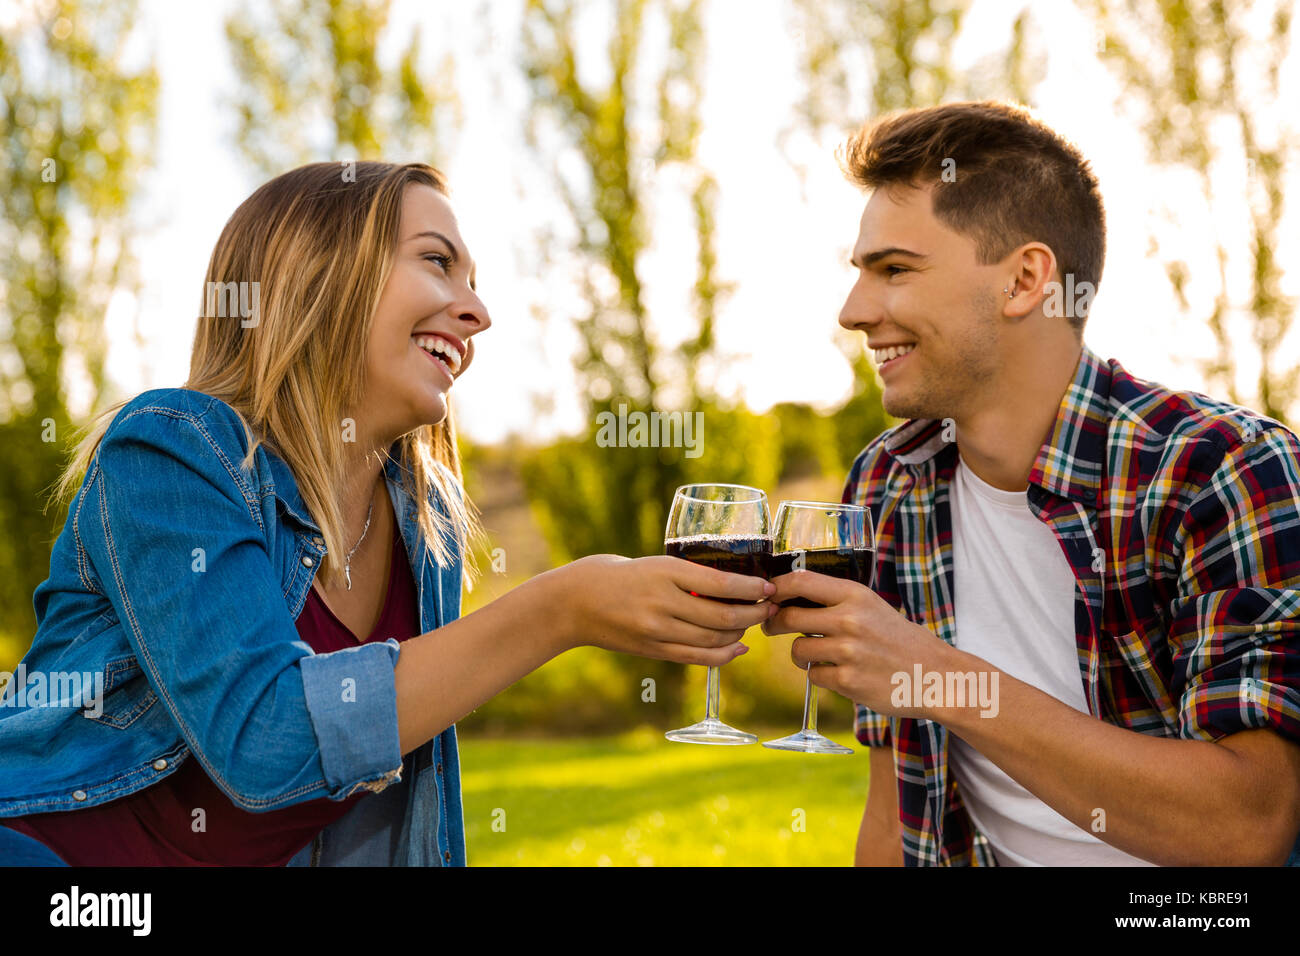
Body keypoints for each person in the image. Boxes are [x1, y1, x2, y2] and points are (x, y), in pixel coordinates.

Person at [0, 161, 776, 867]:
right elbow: (264, 741)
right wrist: (559, 611)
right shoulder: (175, 451)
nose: (477, 313)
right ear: (320, 276)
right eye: (438, 262)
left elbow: (404, 816)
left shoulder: (424, 519)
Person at [764, 101, 1300, 867]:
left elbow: (1246, 830)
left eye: (894, 270)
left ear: (1024, 280)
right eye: (862, 273)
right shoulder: (887, 487)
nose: (855, 312)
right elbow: (892, 819)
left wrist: (934, 677)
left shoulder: (1222, 469)